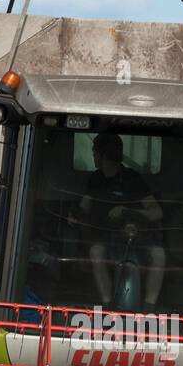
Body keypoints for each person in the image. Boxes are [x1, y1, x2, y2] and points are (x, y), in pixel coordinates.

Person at [74, 131, 165, 308]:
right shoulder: (95, 179)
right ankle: (107, 306)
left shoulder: (133, 179)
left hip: (137, 238)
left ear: (103, 155)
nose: (94, 156)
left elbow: (156, 212)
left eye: (95, 153)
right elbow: (83, 207)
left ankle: (149, 309)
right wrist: (75, 216)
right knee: (96, 252)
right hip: (107, 237)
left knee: (159, 255)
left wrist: (126, 211)